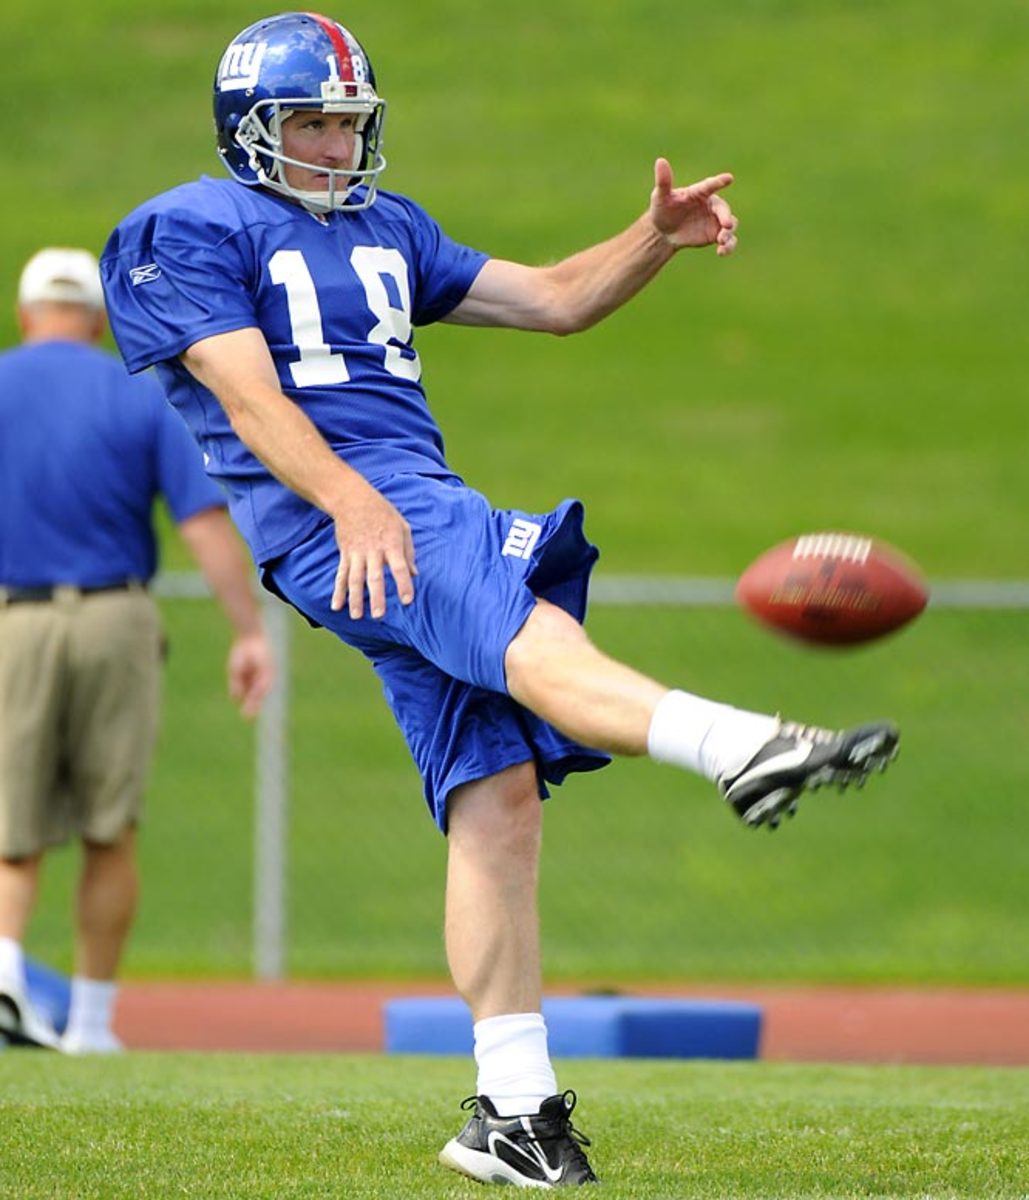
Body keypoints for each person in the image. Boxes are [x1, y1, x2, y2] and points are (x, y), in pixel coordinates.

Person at [100, 11, 899, 1186]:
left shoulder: (388, 226)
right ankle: (743, 746)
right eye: (313, 123)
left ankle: (513, 1116)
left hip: (378, 516)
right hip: (369, 511)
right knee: (536, 636)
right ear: (250, 129)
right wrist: (354, 501)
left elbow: (554, 299)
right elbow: (246, 390)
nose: (335, 144)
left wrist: (652, 238)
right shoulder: (186, 226)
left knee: (498, 795)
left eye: (348, 122)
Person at [0, 247, 275, 1055]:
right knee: (109, 827)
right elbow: (201, 521)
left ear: (24, 313)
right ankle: (89, 1024)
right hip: (117, 619)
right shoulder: (138, 389)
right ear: (96, 317)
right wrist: (248, 631)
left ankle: (6, 976)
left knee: (8, 827)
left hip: (12, 620)